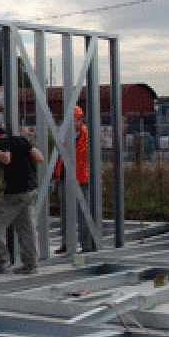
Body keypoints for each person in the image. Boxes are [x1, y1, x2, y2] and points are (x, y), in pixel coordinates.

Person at [0, 120, 44, 274]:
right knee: (27, 228)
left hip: (16, 192)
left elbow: (6, 158)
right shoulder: (21, 140)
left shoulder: (3, 142)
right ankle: (31, 264)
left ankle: (1, 262)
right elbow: (39, 157)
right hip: (31, 191)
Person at [54, 106, 95, 254]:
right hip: (65, 178)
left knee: (83, 214)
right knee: (65, 214)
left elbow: (83, 157)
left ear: (79, 119)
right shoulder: (66, 135)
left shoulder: (86, 134)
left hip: (80, 179)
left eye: (73, 120)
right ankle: (67, 243)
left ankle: (86, 245)